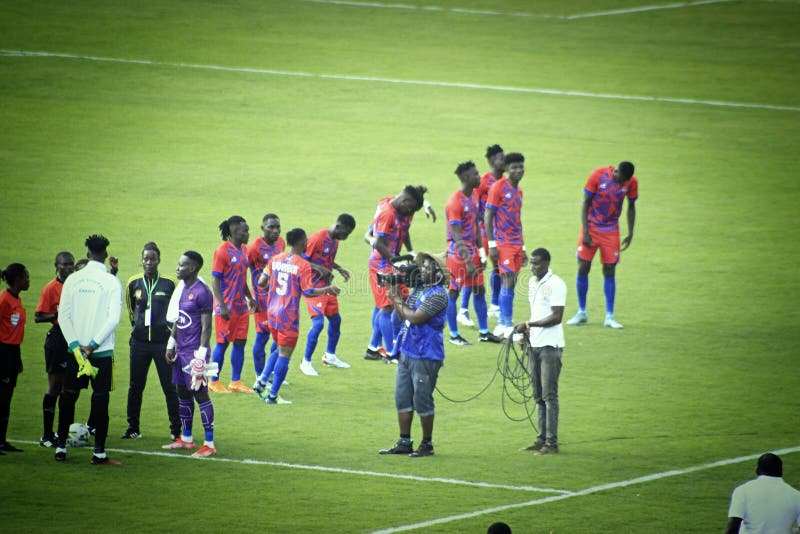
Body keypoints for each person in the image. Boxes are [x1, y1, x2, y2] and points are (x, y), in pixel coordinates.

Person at [253, 228, 340, 404]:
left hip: (272, 312)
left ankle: (261, 382)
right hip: (288, 315)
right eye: (306, 239)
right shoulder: (302, 265)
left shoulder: (275, 258)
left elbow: (261, 283)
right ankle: (273, 396)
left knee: (278, 348)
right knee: (285, 354)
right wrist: (328, 289)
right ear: (301, 242)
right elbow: (308, 292)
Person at [56, 234, 123, 465]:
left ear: (87, 254)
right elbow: (113, 319)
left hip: (75, 352)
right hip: (101, 353)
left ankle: (61, 447)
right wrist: (92, 345)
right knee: (100, 400)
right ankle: (99, 453)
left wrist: (76, 346)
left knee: (68, 398)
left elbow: (63, 316)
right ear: (105, 254)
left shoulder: (73, 280)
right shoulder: (111, 281)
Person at [379, 252, 449, 458]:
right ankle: (404, 441)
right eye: (423, 266)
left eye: (427, 267)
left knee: (422, 400)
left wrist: (396, 298)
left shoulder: (438, 295)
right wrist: (397, 300)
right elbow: (404, 315)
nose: (422, 270)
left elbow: (416, 318)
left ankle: (427, 444)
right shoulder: (419, 290)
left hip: (426, 354)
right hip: (407, 350)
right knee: (402, 397)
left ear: (437, 273)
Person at [565, 161, 638, 329]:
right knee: (583, 266)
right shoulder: (598, 175)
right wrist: (586, 231)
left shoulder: (631, 182)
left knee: (610, 269)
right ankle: (581, 312)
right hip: (591, 226)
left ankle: (610, 316)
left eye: (624, 182)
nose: (621, 184)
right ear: (616, 171)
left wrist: (631, 232)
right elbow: (585, 202)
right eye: (620, 180)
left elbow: (631, 206)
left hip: (611, 230)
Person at [121, 242, 180, 440]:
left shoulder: (169, 283)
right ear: (141, 260)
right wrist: (138, 327)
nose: (149, 262)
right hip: (139, 344)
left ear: (159, 260)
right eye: (145, 259)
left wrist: (170, 336)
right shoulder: (133, 283)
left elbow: (176, 312)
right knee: (135, 387)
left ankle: (176, 430)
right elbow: (131, 311)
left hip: (162, 344)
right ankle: (133, 428)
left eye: (152, 259)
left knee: (170, 388)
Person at [162, 251, 218, 458]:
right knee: (182, 392)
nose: (177, 268)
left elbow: (206, 327)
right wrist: (171, 343)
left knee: (200, 394)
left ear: (192, 268)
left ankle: (209, 444)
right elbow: (179, 319)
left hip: (195, 352)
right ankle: (186, 439)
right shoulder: (183, 289)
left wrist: (201, 356)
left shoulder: (203, 292)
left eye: (181, 265)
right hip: (181, 351)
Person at [363, 185, 426, 361]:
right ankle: (392, 353)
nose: (410, 213)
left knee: (396, 303)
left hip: (392, 261)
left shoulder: (401, 208)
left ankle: (373, 348)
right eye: (410, 208)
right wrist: (396, 260)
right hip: (381, 263)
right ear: (405, 201)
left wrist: (411, 252)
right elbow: (379, 242)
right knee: (387, 307)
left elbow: (403, 231)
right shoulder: (388, 213)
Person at [514, 248, 566, 455]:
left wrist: (528, 324)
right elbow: (537, 313)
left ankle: (551, 444)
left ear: (546, 263)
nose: (533, 267)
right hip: (534, 344)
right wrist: (526, 334)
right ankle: (541, 439)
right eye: (532, 263)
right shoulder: (533, 283)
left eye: (536, 263)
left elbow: (556, 317)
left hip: (550, 347)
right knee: (537, 395)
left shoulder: (556, 284)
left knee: (549, 395)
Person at [445, 161, 502, 345]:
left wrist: (481, 253)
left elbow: (477, 226)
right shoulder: (455, 202)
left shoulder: (474, 196)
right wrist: (468, 261)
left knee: (479, 289)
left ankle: (484, 332)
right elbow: (456, 236)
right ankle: (454, 335)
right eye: (475, 175)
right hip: (458, 256)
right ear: (465, 178)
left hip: (472, 253)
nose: (480, 177)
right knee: (454, 293)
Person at [299, 214, 356, 375]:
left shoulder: (335, 240)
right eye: (346, 233)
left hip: (327, 287)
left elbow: (326, 258)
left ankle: (329, 356)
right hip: (313, 287)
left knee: (336, 320)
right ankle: (306, 362)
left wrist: (338, 268)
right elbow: (301, 260)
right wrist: (319, 269)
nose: (346, 236)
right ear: (338, 227)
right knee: (318, 324)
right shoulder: (317, 238)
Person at [209, 215, 258, 393]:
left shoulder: (244, 250)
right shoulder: (222, 251)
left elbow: (241, 278)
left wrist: (250, 297)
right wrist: (221, 305)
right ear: (234, 231)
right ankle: (213, 381)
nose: (248, 233)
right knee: (222, 343)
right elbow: (215, 280)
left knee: (240, 342)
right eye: (245, 230)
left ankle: (235, 382)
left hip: (241, 307)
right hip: (227, 307)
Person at [460, 144, 505, 325]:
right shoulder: (483, 181)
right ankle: (463, 310)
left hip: (500, 233)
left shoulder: (504, 182)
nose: (504, 161)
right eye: (501, 158)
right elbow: (473, 206)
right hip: (484, 232)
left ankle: (494, 306)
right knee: (476, 270)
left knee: (498, 268)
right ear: (492, 160)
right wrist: (486, 216)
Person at [34, 252, 75, 448]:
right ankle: (47, 435)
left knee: (70, 389)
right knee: (55, 386)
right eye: (65, 264)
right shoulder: (51, 288)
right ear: (56, 266)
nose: (69, 267)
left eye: (71, 264)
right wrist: (57, 314)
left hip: (73, 338)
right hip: (57, 339)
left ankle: (62, 433)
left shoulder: (76, 285)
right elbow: (38, 316)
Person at [485, 152, 527, 338]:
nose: (518, 170)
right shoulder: (498, 187)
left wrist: (524, 247)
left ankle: (502, 323)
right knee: (508, 281)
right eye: (514, 167)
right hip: (503, 242)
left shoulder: (519, 192)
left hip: (517, 243)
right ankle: (507, 324)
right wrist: (492, 244)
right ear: (507, 169)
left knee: (511, 282)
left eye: (520, 167)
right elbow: (488, 215)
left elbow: (518, 220)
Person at [246, 214, 284, 378]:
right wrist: (249, 298)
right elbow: (241, 273)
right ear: (262, 228)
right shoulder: (254, 248)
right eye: (271, 227)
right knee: (262, 338)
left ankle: (271, 372)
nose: (275, 231)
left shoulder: (281, 243)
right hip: (261, 302)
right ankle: (259, 375)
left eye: (277, 227)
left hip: (280, 301)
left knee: (279, 338)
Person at [725, 452, 800, 533]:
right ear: (781, 471)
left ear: (757, 470)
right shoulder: (796, 496)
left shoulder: (742, 491)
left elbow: (732, 528)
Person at [0, 263, 30, 454]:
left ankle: (2, 442)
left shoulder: (16, 299)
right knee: (1, 398)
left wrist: (17, 358)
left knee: (6, 398)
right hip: (2, 353)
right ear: (18, 279)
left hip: (12, 353)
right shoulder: (4, 300)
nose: (29, 280)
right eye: (26, 277)